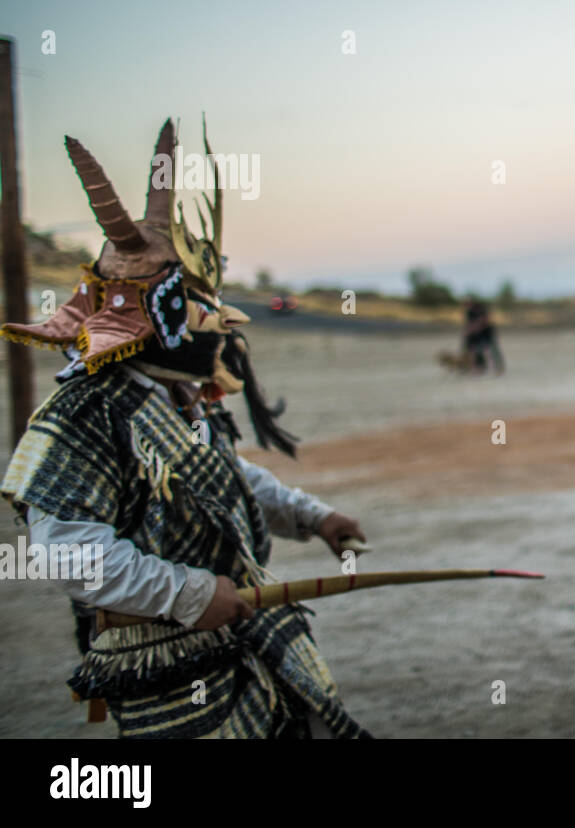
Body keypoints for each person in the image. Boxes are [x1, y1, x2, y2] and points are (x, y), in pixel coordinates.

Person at [1, 121, 368, 738]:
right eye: (201, 303)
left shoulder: (181, 396)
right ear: (163, 311)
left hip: (245, 636)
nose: (218, 321)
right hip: (165, 666)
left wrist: (311, 516)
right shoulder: (86, 413)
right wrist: (188, 594)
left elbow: (223, 477)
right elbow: (68, 552)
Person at [463, 298, 504, 375]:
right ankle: (478, 366)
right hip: (475, 334)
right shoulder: (469, 312)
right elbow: (469, 323)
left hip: (487, 333)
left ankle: (499, 366)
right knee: (474, 349)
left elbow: (484, 321)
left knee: (492, 349)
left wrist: (474, 328)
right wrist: (468, 331)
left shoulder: (481, 310)